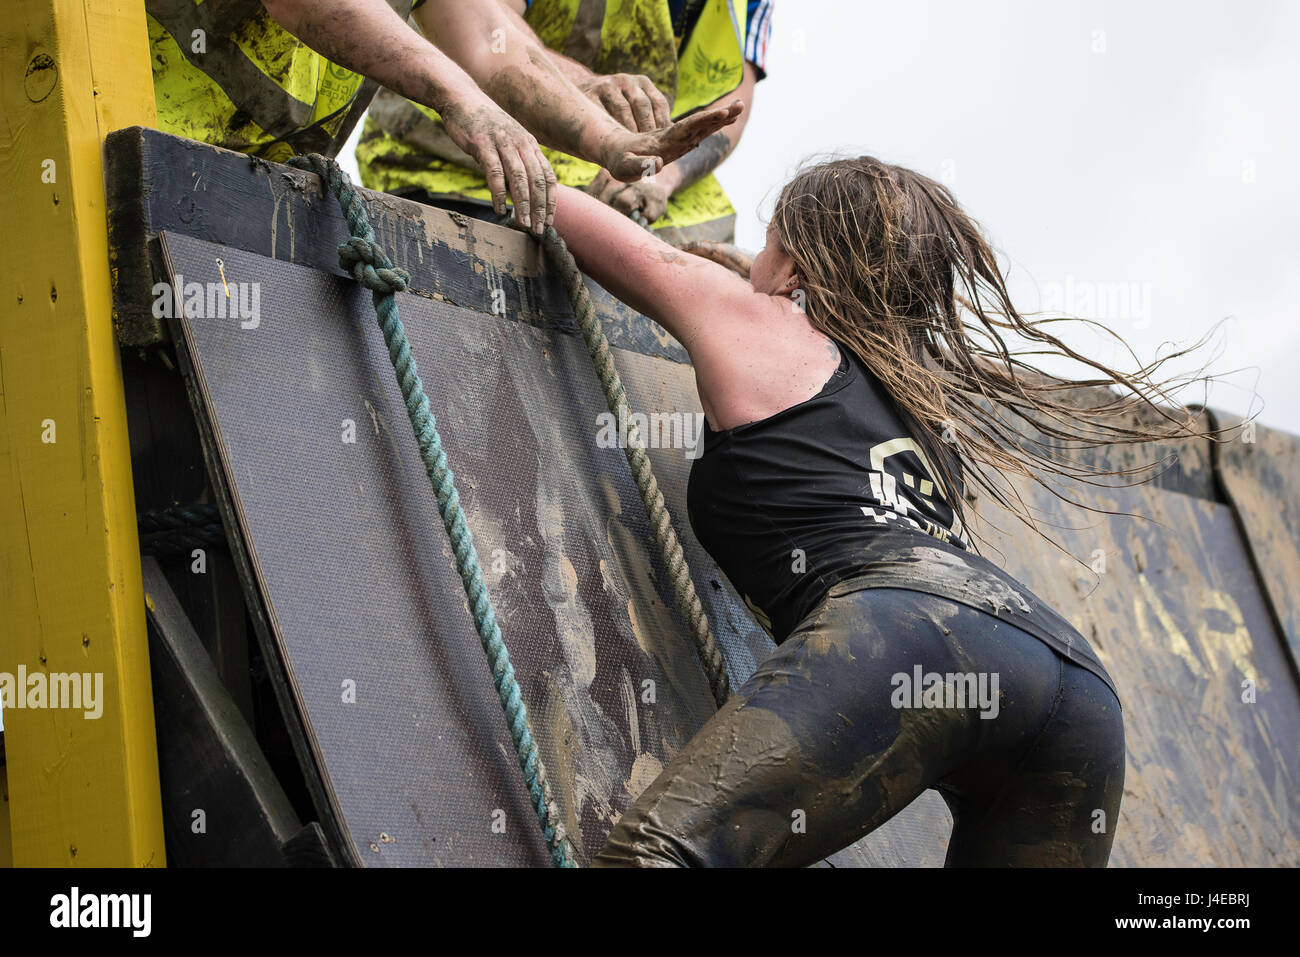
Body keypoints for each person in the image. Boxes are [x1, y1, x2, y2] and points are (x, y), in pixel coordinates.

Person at [542, 156, 1217, 867]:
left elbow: (570, 212)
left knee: (660, 852)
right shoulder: (920, 403)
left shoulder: (755, 321)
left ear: (796, 266)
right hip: (1074, 692)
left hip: (910, 630)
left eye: (771, 245)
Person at [144, 0, 739, 234]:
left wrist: (608, 139)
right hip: (124, 148)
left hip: (243, 187)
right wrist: (461, 97)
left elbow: (490, 39)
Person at [357, 0, 773, 243]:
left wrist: (658, 174)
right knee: (589, 245)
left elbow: (736, 89)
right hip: (460, 154)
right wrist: (584, 92)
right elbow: (487, 31)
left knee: (727, 285)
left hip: (628, 154)